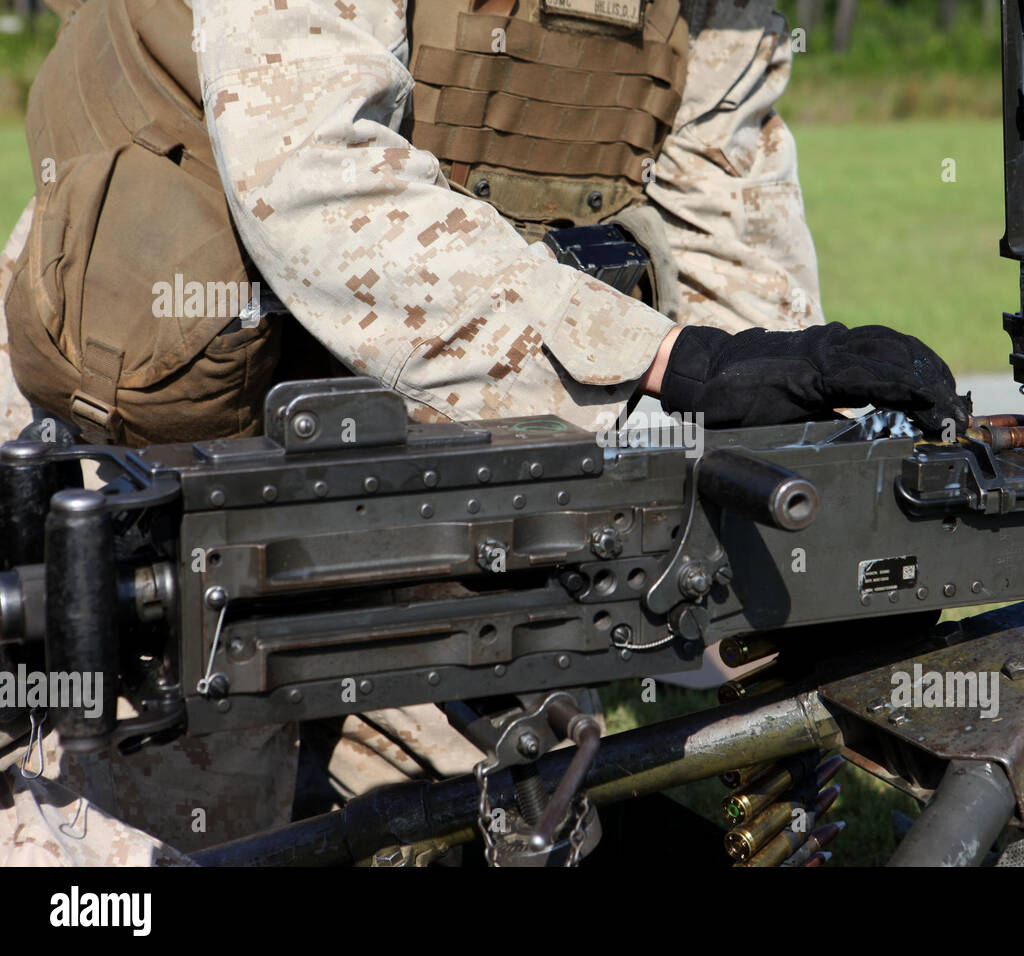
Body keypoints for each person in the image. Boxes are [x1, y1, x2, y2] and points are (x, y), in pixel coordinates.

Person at [0, 0, 966, 864]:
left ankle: (356, 742)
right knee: (145, 845)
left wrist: (809, 514)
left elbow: (729, 243)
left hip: (445, 433)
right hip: (153, 430)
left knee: (527, 799)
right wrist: (665, 361)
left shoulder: (712, 15)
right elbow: (316, 176)